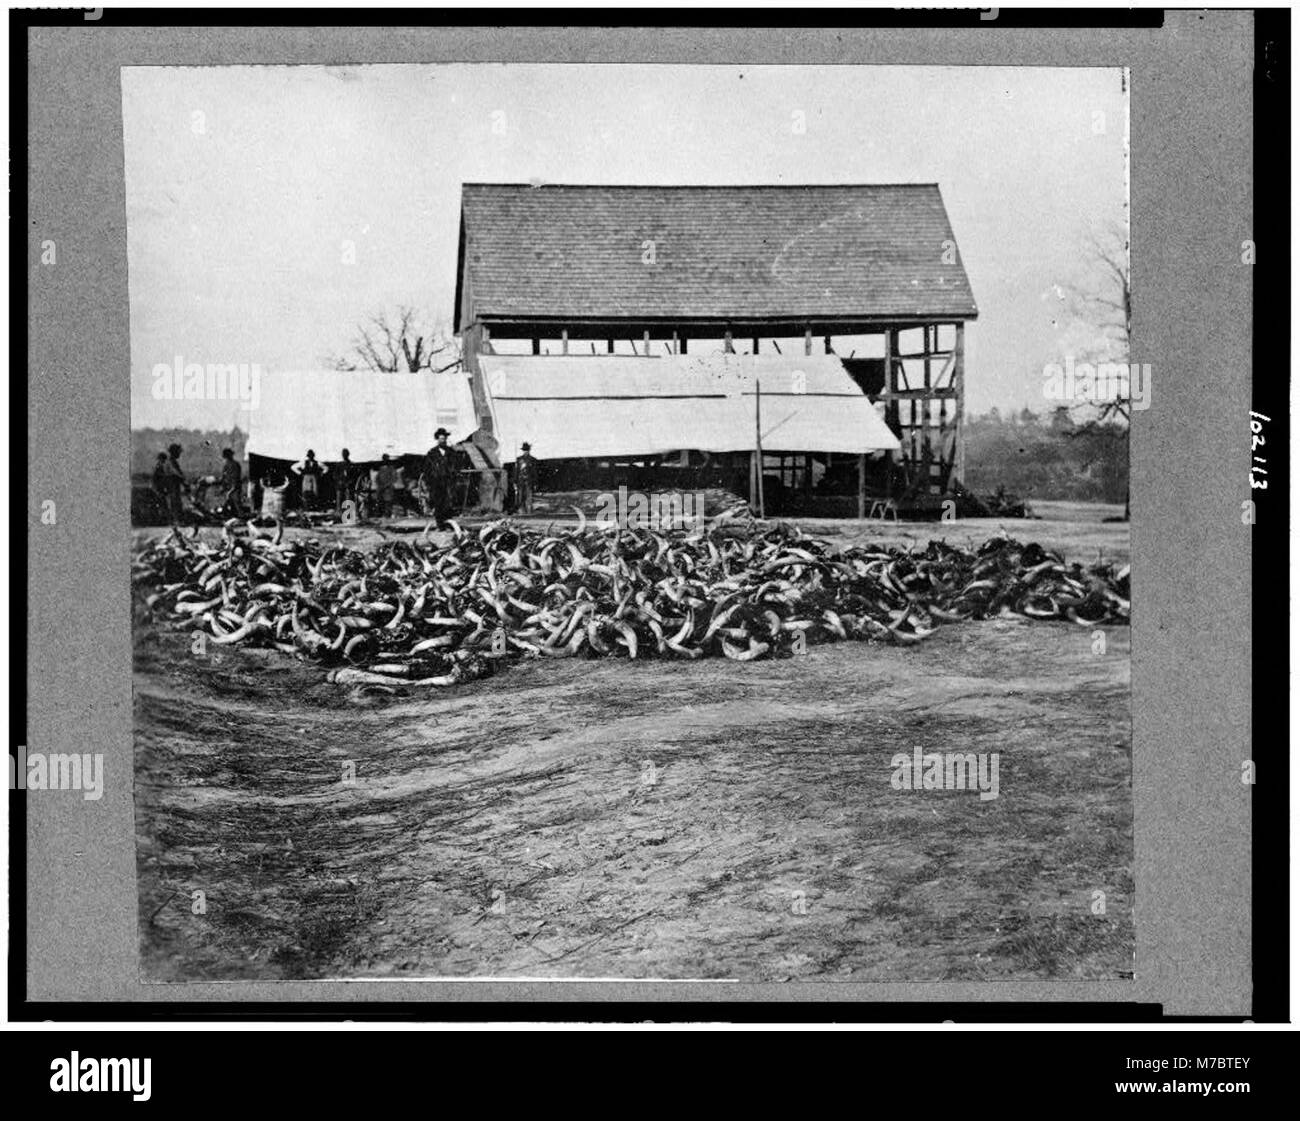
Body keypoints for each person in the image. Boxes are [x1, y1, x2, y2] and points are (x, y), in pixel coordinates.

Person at [421, 428, 457, 529]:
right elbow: (427, 469)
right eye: (441, 439)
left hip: (448, 482)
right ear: (437, 439)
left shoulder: (451, 452)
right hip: (436, 483)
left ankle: (449, 524)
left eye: (444, 439)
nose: (443, 441)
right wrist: (430, 482)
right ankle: (440, 525)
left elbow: (456, 466)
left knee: (449, 503)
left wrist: (453, 477)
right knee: (438, 504)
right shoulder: (432, 453)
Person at [162, 443, 187, 524]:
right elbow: (176, 472)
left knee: (176, 501)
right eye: (178, 452)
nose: (179, 454)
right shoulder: (170, 462)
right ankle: (177, 520)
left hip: (173, 484)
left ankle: (178, 519)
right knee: (175, 502)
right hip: (172, 484)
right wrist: (183, 479)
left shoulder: (172, 461)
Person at [515, 441, 539, 514]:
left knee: (529, 497)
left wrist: (535, 482)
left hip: (529, 481)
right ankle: (521, 511)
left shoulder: (533, 460)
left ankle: (529, 511)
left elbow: (534, 472)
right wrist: (515, 482)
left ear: (529, 450)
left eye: (527, 450)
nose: (525, 452)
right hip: (520, 481)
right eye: (524, 450)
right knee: (520, 497)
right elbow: (516, 471)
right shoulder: (519, 459)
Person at [219, 448, 243, 515]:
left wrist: (231, 490)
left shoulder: (234, 465)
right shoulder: (227, 465)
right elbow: (224, 477)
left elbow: (235, 478)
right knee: (231, 506)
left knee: (237, 506)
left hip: (234, 488)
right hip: (230, 488)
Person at [333, 448, 355, 516]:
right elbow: (335, 475)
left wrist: (349, 482)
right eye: (343, 454)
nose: (344, 455)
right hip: (340, 484)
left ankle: (348, 514)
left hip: (348, 484)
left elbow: (353, 475)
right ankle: (339, 513)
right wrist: (339, 481)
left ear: (348, 455)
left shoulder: (351, 464)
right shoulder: (339, 465)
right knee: (339, 499)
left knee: (348, 498)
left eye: (346, 454)